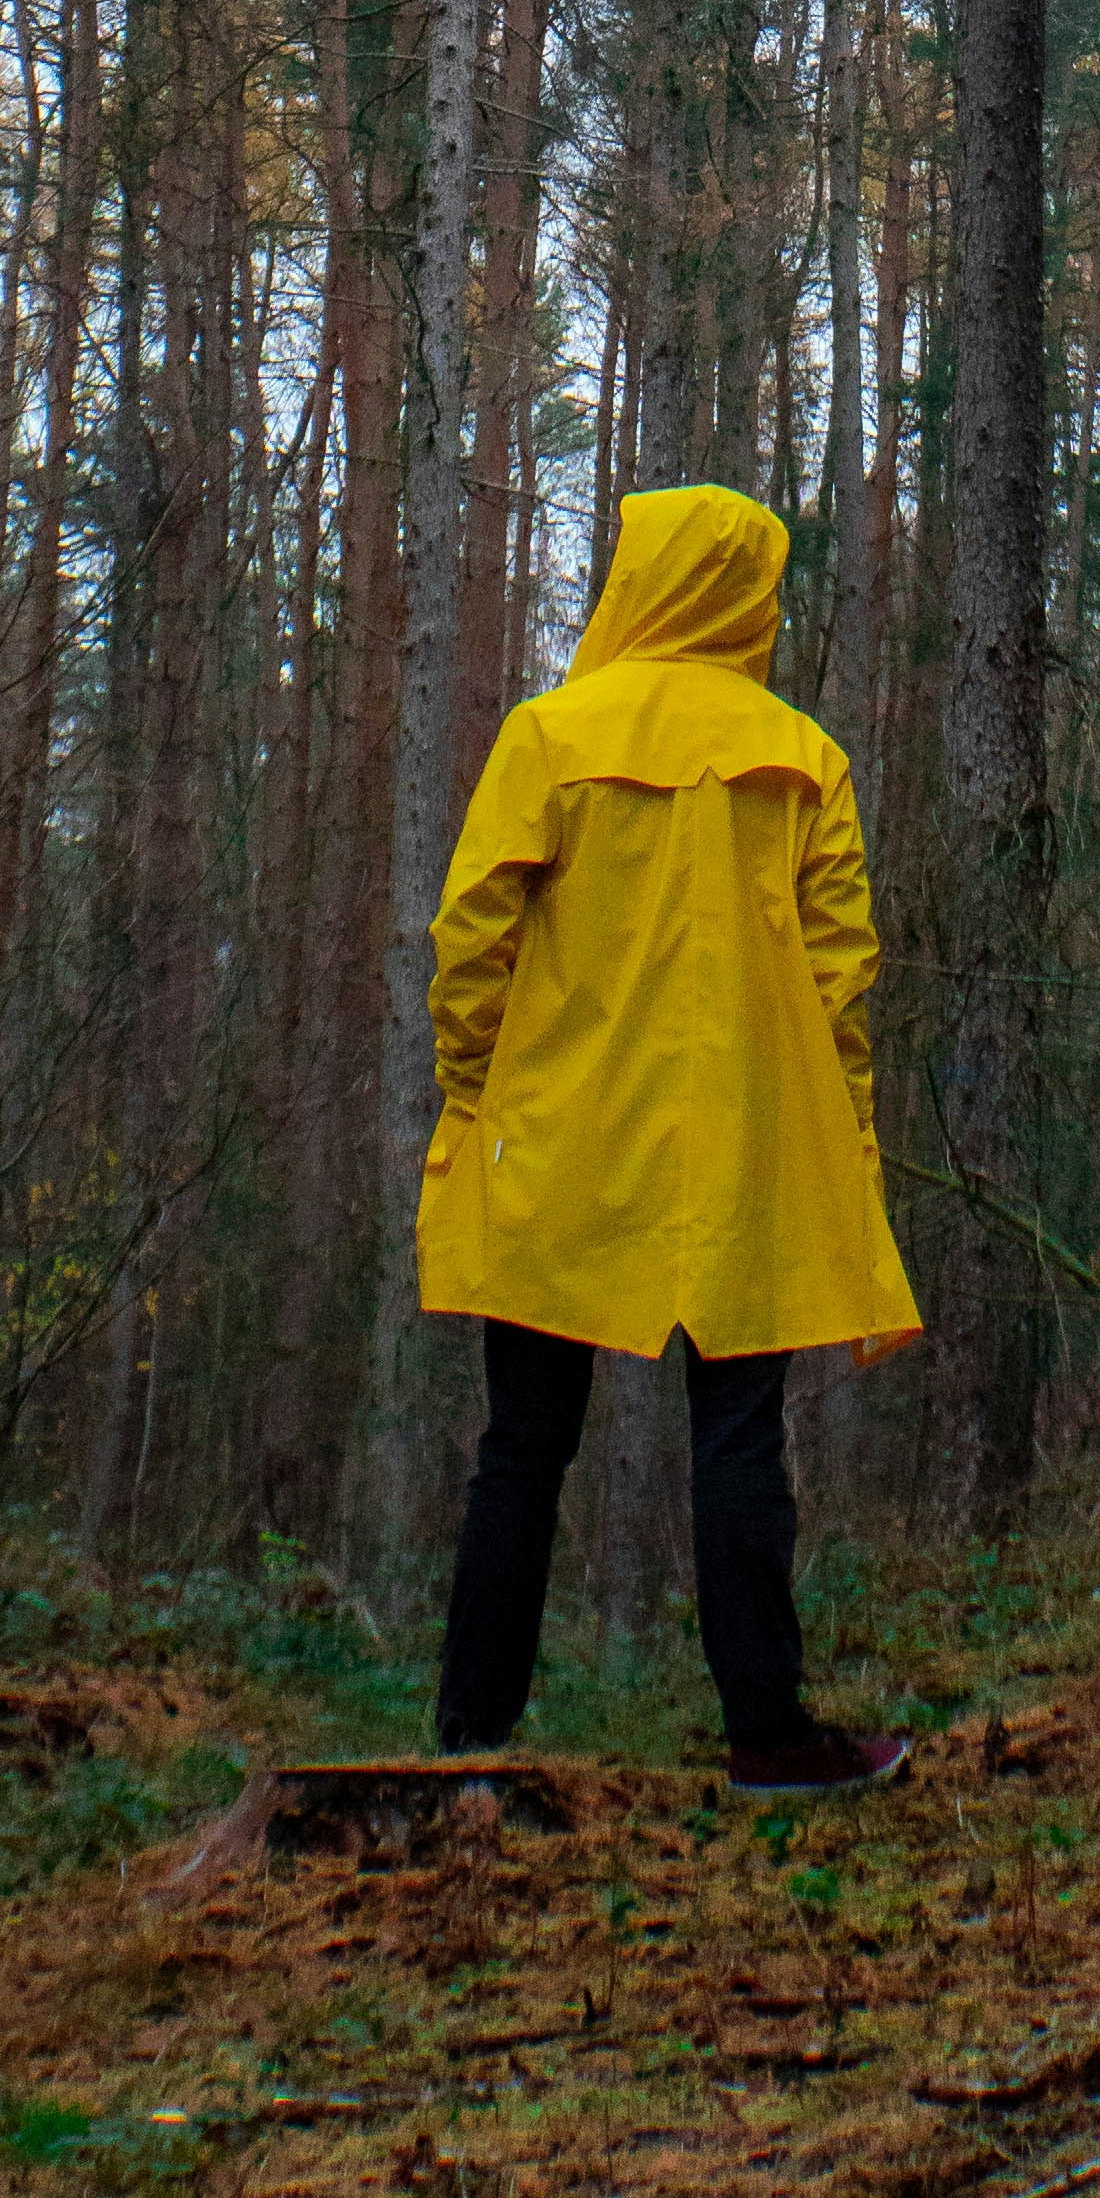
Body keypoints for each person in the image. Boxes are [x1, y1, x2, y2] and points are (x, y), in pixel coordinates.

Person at [417, 478, 920, 1790]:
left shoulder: (550, 736)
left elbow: (472, 940)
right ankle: (767, 1732)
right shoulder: (800, 757)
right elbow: (841, 978)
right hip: (744, 1155)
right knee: (741, 1438)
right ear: (750, 590)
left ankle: (469, 1741)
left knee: (524, 1443)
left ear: (636, 579)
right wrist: (839, 1134)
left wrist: (479, 1096)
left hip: (563, 1144)